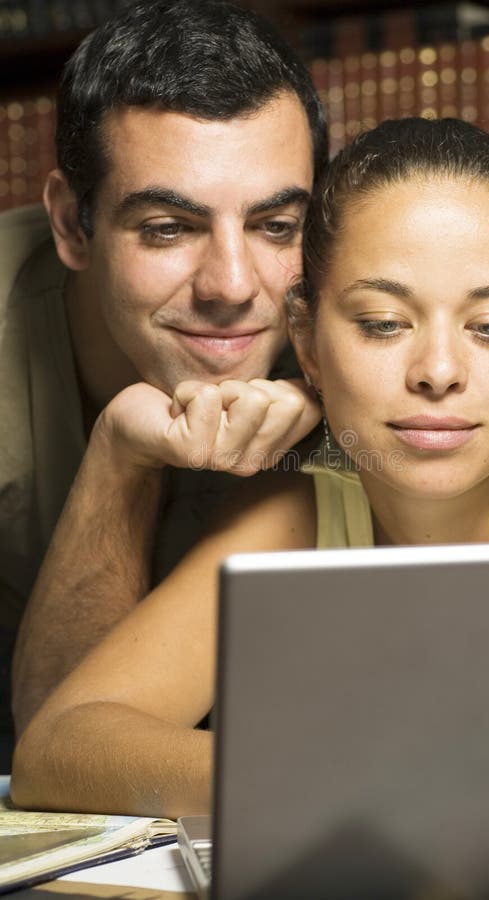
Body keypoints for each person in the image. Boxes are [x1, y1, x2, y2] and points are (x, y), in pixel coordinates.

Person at [11, 117, 489, 817]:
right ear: (309, 342)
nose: (439, 372)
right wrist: (336, 777)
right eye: (383, 323)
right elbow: (57, 749)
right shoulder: (304, 504)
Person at [3, 0, 327, 765]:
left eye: (276, 226)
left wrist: (335, 425)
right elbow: (54, 759)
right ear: (73, 226)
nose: (233, 285)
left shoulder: (349, 315)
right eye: (168, 229)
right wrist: (122, 458)